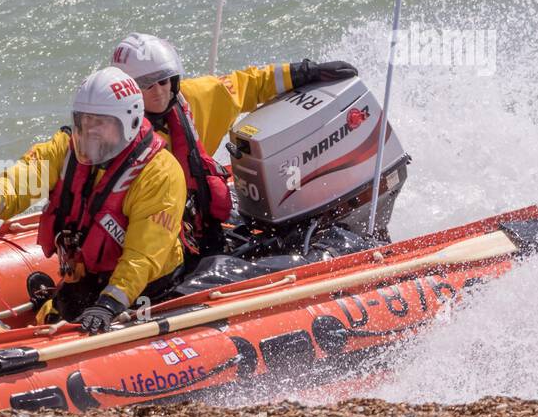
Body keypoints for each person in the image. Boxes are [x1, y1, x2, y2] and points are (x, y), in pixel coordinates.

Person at [110, 33, 357, 258]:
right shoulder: (110, 133)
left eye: (164, 81)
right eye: (147, 85)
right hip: (149, 241)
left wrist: (306, 71)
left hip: (199, 230)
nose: (159, 92)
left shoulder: (196, 98)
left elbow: (249, 84)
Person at [0, 67, 186, 335]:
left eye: (100, 123)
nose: (90, 131)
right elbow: (25, 177)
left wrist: (110, 303)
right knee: (57, 316)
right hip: (88, 276)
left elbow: (144, 256)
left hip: (147, 289)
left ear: (129, 122)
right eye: (85, 121)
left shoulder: (159, 173)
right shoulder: (66, 151)